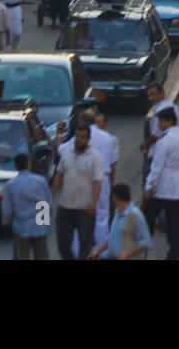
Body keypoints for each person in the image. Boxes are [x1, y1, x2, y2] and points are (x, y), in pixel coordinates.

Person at [60, 109, 117, 256]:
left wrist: (59, 135)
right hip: (103, 180)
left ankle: (80, 252)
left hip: (83, 180)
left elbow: (62, 151)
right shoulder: (108, 138)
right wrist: (111, 185)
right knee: (102, 217)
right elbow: (112, 164)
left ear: (82, 121)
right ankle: (101, 253)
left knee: (80, 216)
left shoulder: (78, 137)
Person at [143, 108, 179, 259]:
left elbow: (157, 167)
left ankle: (144, 244)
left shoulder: (164, 141)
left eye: (160, 121)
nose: (159, 124)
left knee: (149, 214)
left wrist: (148, 186)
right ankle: (174, 252)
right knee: (175, 221)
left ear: (168, 121)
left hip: (163, 185)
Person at [51, 123, 105, 260]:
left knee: (85, 247)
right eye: (77, 136)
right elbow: (59, 174)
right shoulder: (67, 152)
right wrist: (51, 194)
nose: (79, 139)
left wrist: (94, 202)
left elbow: (98, 181)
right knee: (63, 245)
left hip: (85, 209)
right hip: (65, 206)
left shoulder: (95, 157)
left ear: (88, 139)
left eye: (82, 137)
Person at [2, 152, 53, 260]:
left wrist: (6, 220)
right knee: (41, 255)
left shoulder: (11, 184)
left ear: (16, 166)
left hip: (21, 226)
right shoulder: (41, 181)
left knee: (21, 256)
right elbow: (49, 204)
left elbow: (7, 209)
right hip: (39, 225)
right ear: (28, 164)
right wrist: (47, 223)